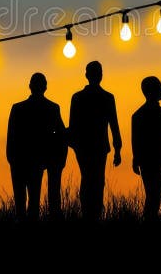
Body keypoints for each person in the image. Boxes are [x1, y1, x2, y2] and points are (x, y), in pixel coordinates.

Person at [7, 73, 68, 222]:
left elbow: (11, 137)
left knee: (20, 204)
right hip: (39, 160)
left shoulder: (17, 108)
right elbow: (61, 136)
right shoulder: (52, 108)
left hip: (19, 160)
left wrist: (12, 159)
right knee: (33, 202)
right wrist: (58, 160)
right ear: (45, 87)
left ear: (30, 86)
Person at [68, 61, 122, 221]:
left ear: (86, 75)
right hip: (96, 147)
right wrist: (117, 149)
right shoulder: (107, 97)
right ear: (100, 75)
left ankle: (89, 213)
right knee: (97, 180)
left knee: (88, 179)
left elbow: (73, 126)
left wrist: (75, 145)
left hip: (85, 147)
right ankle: (93, 213)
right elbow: (114, 126)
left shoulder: (78, 97)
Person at [131, 76, 161, 222]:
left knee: (153, 194)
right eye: (160, 87)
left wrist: (136, 159)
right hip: (154, 160)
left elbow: (136, 141)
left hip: (149, 160)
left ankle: (150, 218)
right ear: (152, 91)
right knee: (154, 194)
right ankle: (150, 219)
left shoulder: (138, 115)